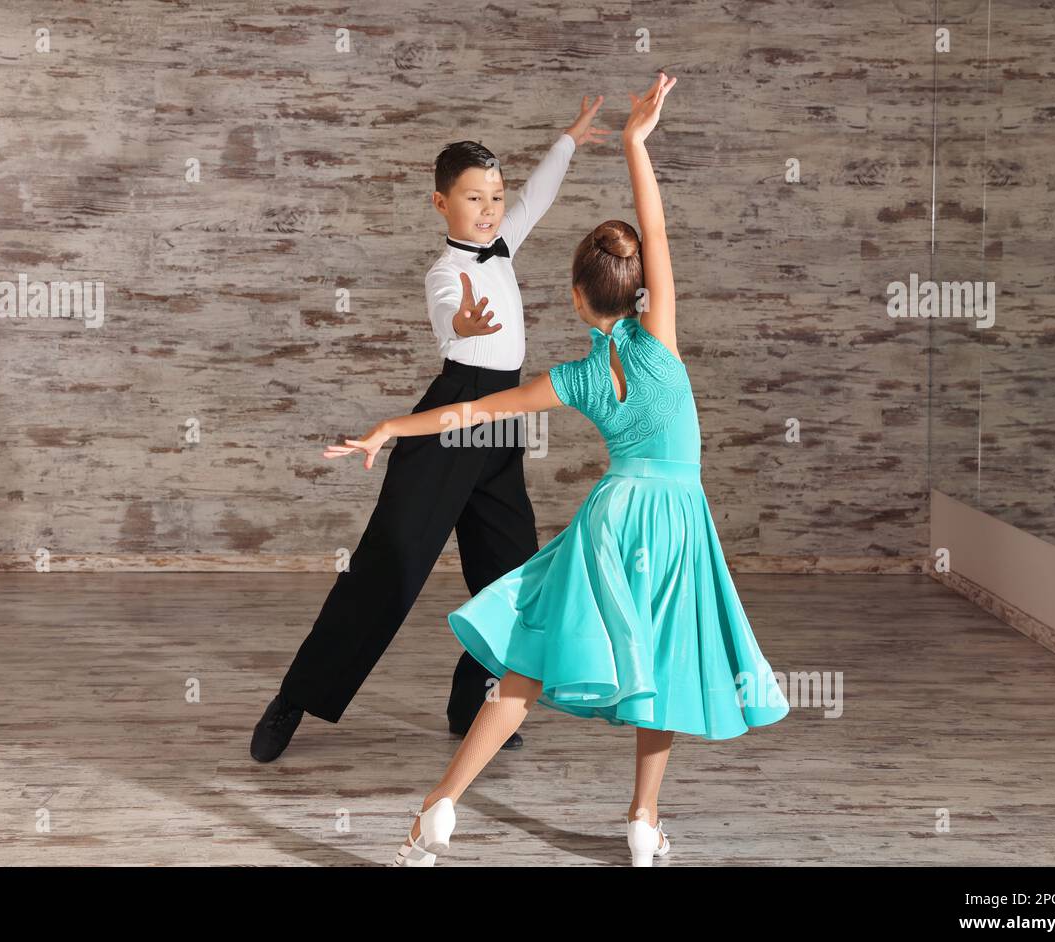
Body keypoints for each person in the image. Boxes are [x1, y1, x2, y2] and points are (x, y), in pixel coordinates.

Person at [325, 72, 791, 867]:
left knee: (526, 660)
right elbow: (657, 226)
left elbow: (471, 413)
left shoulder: (574, 378)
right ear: (638, 291)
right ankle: (643, 821)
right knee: (664, 662)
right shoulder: (661, 339)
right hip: (678, 519)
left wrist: (390, 428)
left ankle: (436, 810)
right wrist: (638, 143)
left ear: (578, 301)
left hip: (612, 519)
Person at [250, 97, 611, 763]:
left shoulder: (505, 241)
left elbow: (539, 194)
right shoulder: (445, 273)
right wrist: (465, 328)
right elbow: (451, 319)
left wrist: (567, 140)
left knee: (512, 575)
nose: (489, 208)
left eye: (495, 196)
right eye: (474, 198)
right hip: (452, 417)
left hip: (502, 419)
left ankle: (471, 694)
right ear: (441, 203)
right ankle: (295, 696)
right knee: (390, 564)